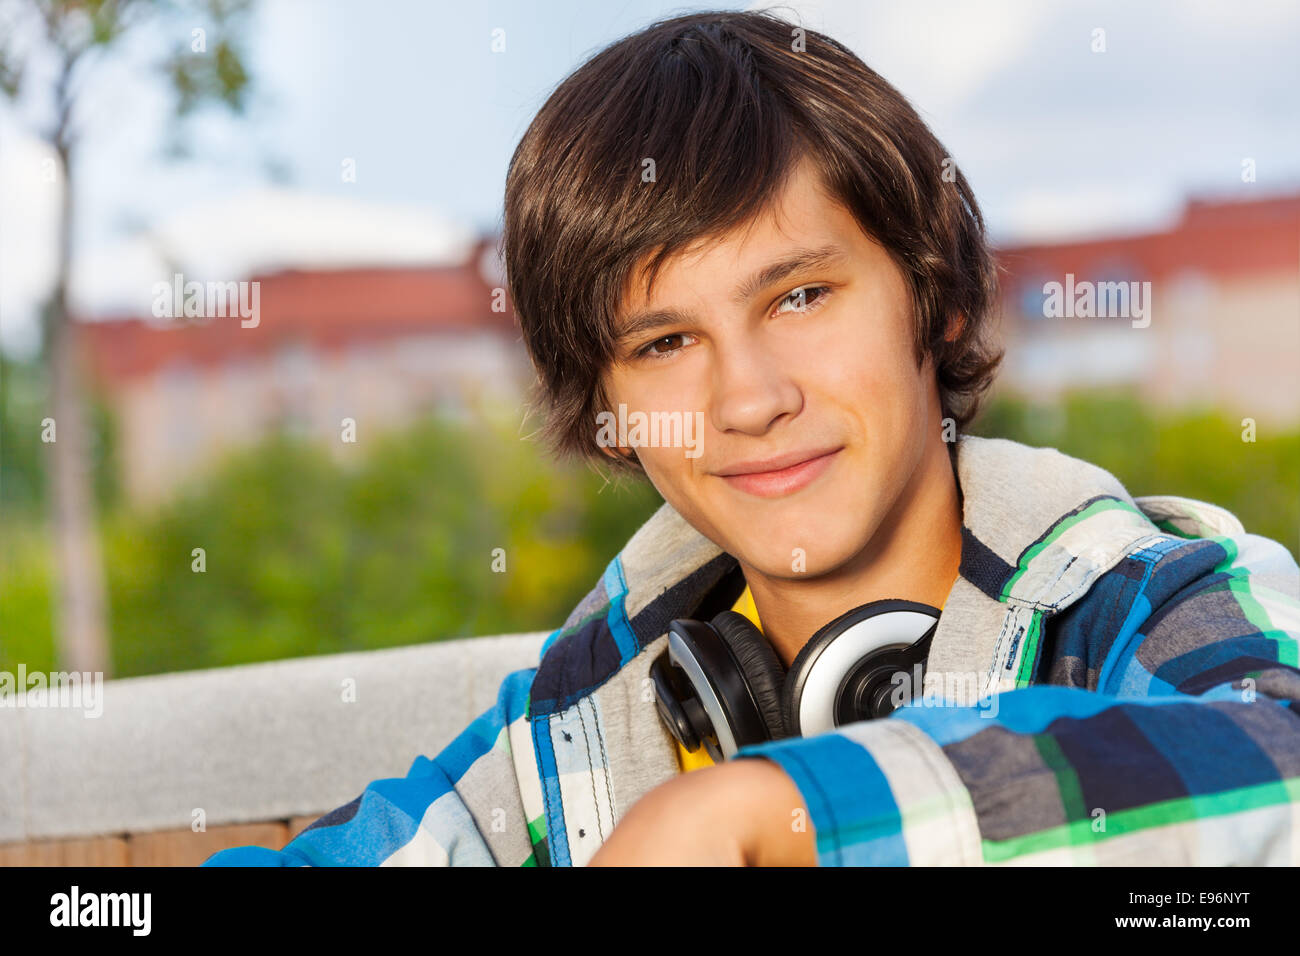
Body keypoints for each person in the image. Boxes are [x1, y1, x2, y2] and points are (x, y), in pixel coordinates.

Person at [203, 9, 1300, 867]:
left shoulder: (1148, 602)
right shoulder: (583, 711)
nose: (747, 398)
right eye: (666, 339)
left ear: (936, 300)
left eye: (800, 296)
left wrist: (784, 813)